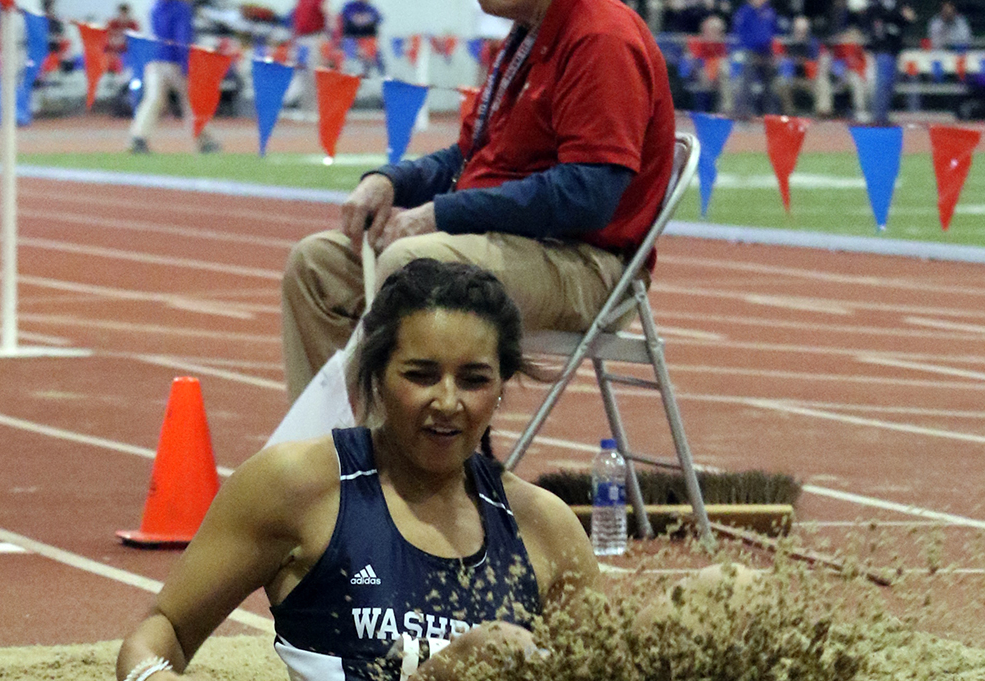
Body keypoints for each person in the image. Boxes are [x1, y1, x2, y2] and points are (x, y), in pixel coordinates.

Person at [116, 260, 599, 681]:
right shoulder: (299, 487)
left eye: (474, 379)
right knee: (492, 653)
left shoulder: (542, 524)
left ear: (501, 386)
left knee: (697, 598)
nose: (447, 401)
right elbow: (162, 628)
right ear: (377, 376)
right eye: (421, 375)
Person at [279, 0, 676, 402]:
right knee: (316, 265)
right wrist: (390, 181)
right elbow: (468, 158)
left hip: (586, 263)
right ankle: (331, 451)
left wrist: (442, 215)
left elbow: (588, 195)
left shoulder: (601, 36)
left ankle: (407, 456)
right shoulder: (526, 38)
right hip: (519, 244)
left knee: (415, 266)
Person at [128, 0, 221, 154]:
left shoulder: (155, 7)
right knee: (192, 102)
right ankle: (206, 141)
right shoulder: (180, 8)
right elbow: (182, 38)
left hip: (155, 59)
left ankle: (138, 137)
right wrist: (187, 66)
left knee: (153, 100)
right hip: (175, 62)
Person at [865, 0, 915, 124]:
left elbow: (909, 18)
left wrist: (899, 17)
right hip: (882, 49)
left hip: (894, 49)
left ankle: (883, 116)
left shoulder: (899, 4)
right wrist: (898, 16)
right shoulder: (876, 6)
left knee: (890, 84)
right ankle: (879, 117)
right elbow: (876, 23)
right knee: (882, 83)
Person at [730, 0, 781, 120]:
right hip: (749, 52)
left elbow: (773, 31)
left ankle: (770, 114)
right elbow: (741, 35)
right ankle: (743, 112)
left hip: (766, 52)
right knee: (746, 80)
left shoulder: (770, 11)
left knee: (770, 82)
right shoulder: (743, 12)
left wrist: (770, 51)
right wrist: (752, 51)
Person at [105, 2, 139, 74]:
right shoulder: (112, 23)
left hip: (126, 53)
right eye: (122, 14)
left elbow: (135, 42)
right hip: (112, 52)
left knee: (127, 59)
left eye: (125, 14)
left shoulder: (133, 24)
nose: (123, 16)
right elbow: (107, 39)